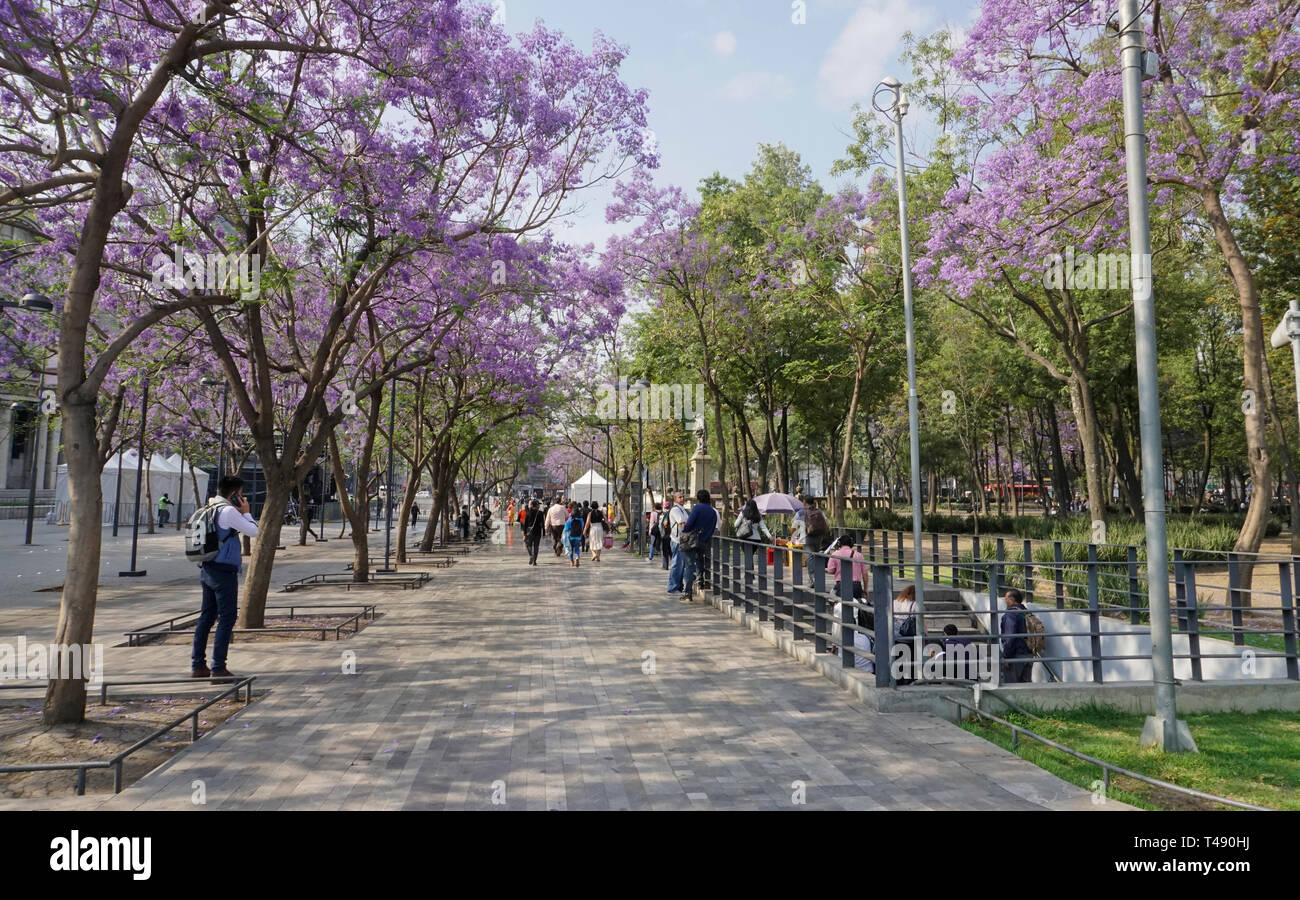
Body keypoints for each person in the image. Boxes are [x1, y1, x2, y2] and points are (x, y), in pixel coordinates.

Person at [192, 475, 259, 679]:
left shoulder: (207, 508)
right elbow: (253, 531)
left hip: (207, 567)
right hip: (223, 571)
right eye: (240, 494)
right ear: (233, 494)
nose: (243, 498)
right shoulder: (228, 511)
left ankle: (197, 666)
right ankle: (218, 667)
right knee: (227, 617)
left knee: (206, 617)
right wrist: (246, 513)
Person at [679, 489, 717, 601]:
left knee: (690, 566)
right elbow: (712, 527)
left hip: (692, 540)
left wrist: (685, 529)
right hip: (704, 540)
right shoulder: (713, 511)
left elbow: (689, 524)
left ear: (698, 499)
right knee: (700, 560)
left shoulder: (697, 508)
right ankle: (701, 581)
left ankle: (687, 592)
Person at [1000, 588, 1032, 683]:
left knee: (1012, 687)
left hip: (1016, 656)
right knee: (1026, 687)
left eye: (1006, 598)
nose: (1005, 601)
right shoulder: (1026, 612)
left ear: (1012, 600)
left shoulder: (1011, 614)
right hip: (1029, 655)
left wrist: (1006, 657)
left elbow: (1010, 638)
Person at [665, 492, 689, 594]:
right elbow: (683, 524)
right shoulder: (676, 510)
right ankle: (673, 587)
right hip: (677, 541)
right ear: (675, 499)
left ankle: (678, 586)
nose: (682, 498)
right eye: (680, 497)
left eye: (683, 496)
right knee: (677, 564)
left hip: (681, 541)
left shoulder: (682, 510)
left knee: (681, 564)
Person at [522, 499, 545, 565]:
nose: (539, 506)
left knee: (528, 545)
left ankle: (531, 555)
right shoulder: (540, 513)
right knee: (536, 546)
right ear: (536, 505)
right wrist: (543, 532)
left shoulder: (528, 512)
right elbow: (542, 523)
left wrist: (524, 533)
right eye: (538, 505)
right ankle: (534, 561)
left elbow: (525, 524)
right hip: (538, 532)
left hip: (530, 532)